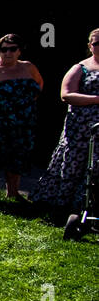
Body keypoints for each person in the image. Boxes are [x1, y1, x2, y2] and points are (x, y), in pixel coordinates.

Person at [31, 28, 99, 222]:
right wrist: (96, 99)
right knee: (73, 166)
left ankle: (91, 208)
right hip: (80, 129)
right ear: (89, 46)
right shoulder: (81, 68)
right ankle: (61, 207)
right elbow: (66, 94)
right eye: (96, 43)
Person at [0, 33, 44, 201]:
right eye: (3, 49)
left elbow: (39, 84)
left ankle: (13, 192)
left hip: (22, 123)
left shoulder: (28, 67)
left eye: (12, 49)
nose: (8, 53)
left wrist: (26, 104)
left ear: (19, 51)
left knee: (17, 158)